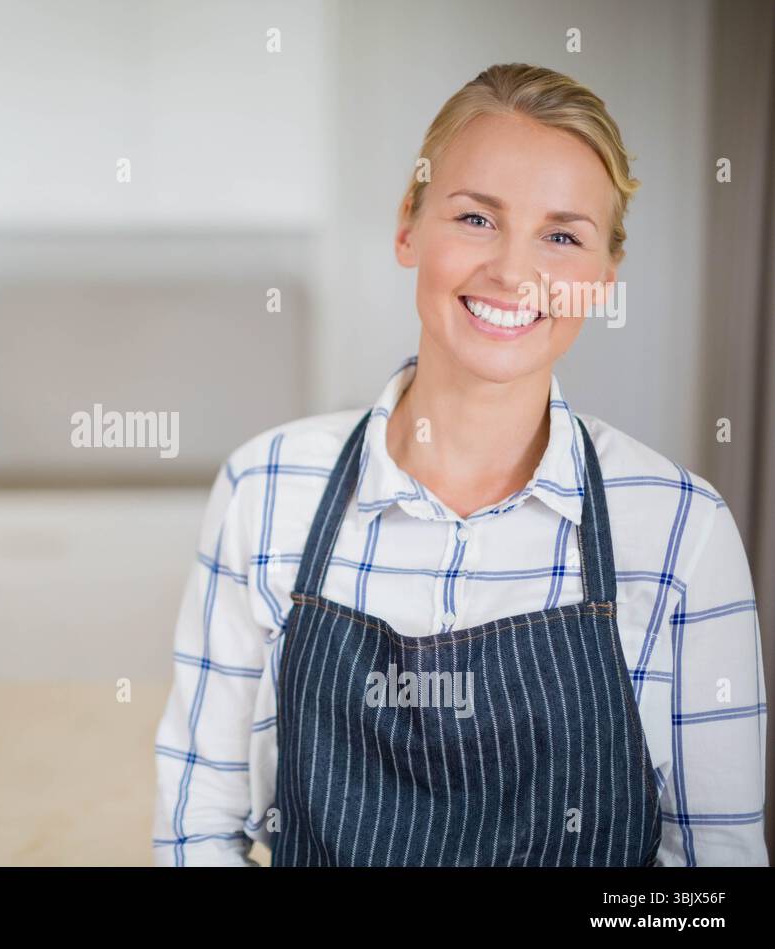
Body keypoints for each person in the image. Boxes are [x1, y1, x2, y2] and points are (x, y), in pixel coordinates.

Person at [152, 63, 767, 867]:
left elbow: (712, 867)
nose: (514, 272)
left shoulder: (682, 527)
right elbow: (199, 828)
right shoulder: (268, 490)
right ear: (409, 225)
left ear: (602, 280)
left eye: (562, 236)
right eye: (477, 218)